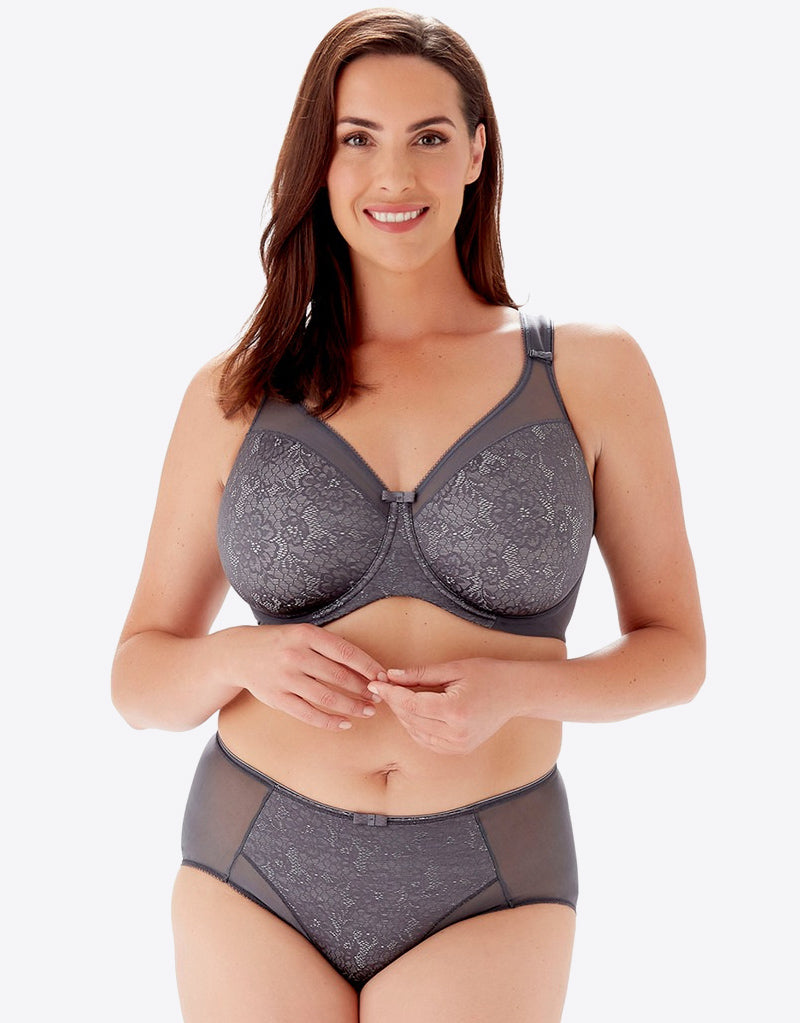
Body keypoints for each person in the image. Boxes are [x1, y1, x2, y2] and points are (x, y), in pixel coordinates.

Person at [111, 8, 705, 1022]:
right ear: (320, 162)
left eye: (428, 137)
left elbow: (677, 653)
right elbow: (137, 680)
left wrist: (518, 689)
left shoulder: (589, 372)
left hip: (488, 873)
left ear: (476, 152)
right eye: (358, 139)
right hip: (253, 862)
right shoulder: (236, 391)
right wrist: (240, 659)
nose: (394, 176)